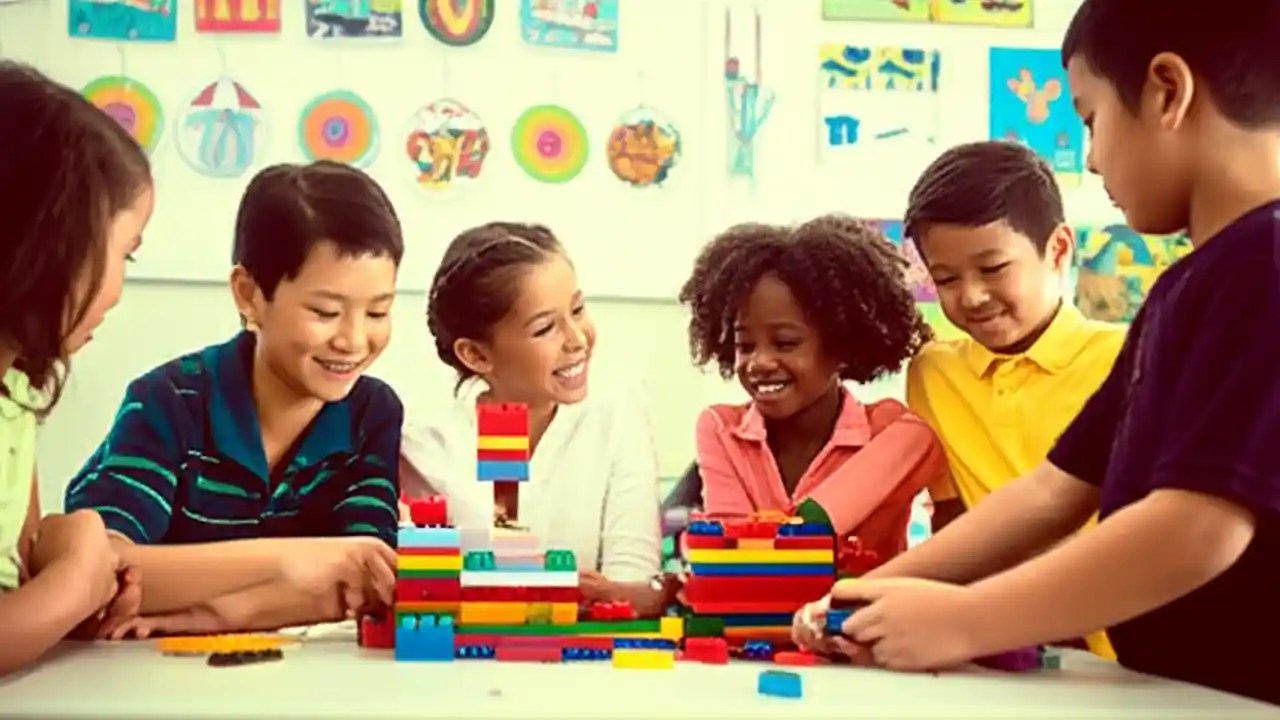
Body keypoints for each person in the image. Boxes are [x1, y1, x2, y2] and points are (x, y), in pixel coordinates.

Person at [794, 1, 1280, 704]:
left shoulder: (1261, 266)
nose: (1089, 156)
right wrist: (872, 592)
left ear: (1166, 92)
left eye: (1089, 120)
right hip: (1187, 695)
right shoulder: (1192, 286)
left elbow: (1196, 528)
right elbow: (1055, 490)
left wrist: (965, 619)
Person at [64, 161, 402, 638]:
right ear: (249, 295)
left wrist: (219, 612)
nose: (353, 339)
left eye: (378, 311)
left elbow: (364, 581)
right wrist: (301, 562)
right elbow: (99, 571)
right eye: (325, 311)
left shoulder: (373, 413)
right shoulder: (170, 401)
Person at [902, 141, 1124, 658]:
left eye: (994, 268)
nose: (972, 296)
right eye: (946, 279)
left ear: (1058, 250)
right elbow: (952, 519)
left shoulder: (1127, 358)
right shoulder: (935, 373)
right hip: (1004, 649)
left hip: (1124, 653)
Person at [400, 222, 664, 615]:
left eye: (577, 309)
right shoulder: (426, 447)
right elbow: (428, 596)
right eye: (545, 328)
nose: (577, 339)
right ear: (476, 355)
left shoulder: (618, 414)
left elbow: (632, 585)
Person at [0, 61, 151, 675]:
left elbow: (22, 565)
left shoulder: (15, 391)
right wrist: (74, 585)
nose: (119, 289)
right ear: (50, 241)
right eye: (126, 255)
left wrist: (77, 550)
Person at [680, 216, 945, 567]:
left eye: (785, 343)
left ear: (842, 347)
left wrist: (776, 538)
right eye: (745, 345)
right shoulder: (721, 428)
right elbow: (730, 558)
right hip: (751, 621)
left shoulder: (893, 431)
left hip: (862, 620)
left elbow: (802, 535)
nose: (759, 362)